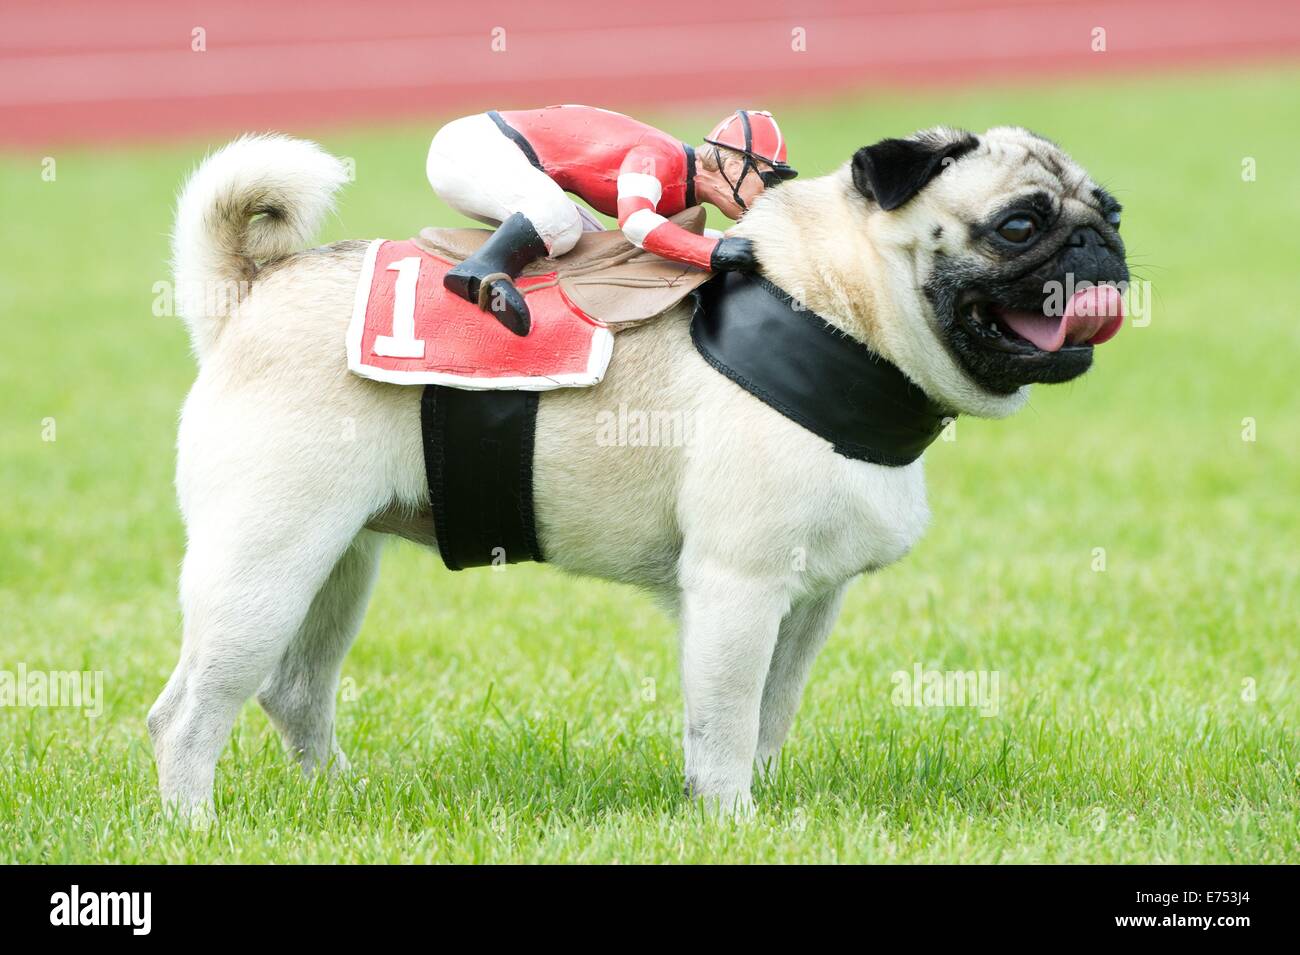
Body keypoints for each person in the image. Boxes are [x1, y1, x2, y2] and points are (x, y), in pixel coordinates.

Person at [425, 105, 797, 335]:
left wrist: (735, 249)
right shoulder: (661, 155)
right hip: (471, 147)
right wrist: (715, 252)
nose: (768, 192)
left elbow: (662, 237)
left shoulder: (681, 185)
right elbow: (636, 224)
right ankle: (480, 274)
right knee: (559, 222)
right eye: (768, 179)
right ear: (734, 165)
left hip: (501, 154)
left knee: (590, 245)